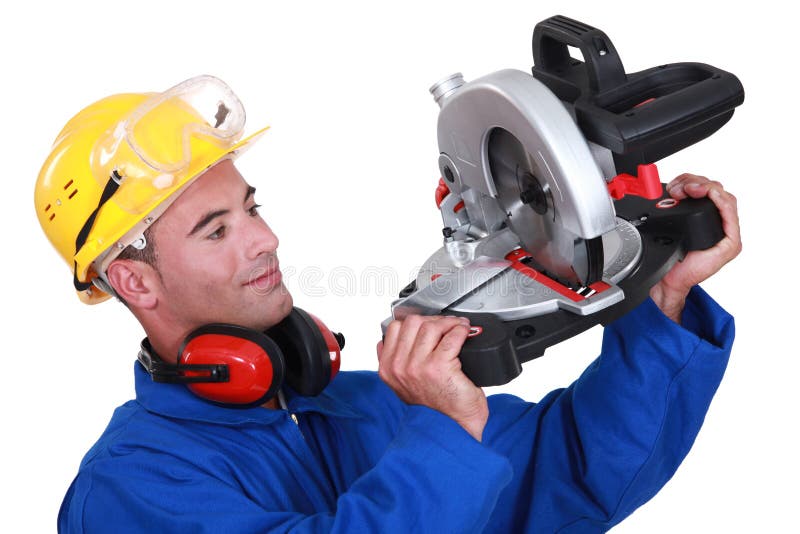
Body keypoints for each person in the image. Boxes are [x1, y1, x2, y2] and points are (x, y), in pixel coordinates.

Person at [37, 75, 740, 533]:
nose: (266, 240)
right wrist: (443, 436)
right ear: (135, 282)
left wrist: (662, 307)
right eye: (216, 230)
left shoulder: (368, 406)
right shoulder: (129, 489)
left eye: (251, 209)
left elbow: (575, 471)